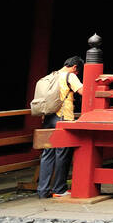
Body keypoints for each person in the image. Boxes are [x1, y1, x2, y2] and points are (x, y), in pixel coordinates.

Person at [37, 56, 84, 198]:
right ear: (75, 67)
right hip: (63, 117)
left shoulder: (50, 76)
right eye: (78, 72)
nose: (77, 74)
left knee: (47, 154)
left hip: (48, 117)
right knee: (62, 154)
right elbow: (83, 92)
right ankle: (59, 189)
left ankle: (43, 190)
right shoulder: (70, 76)